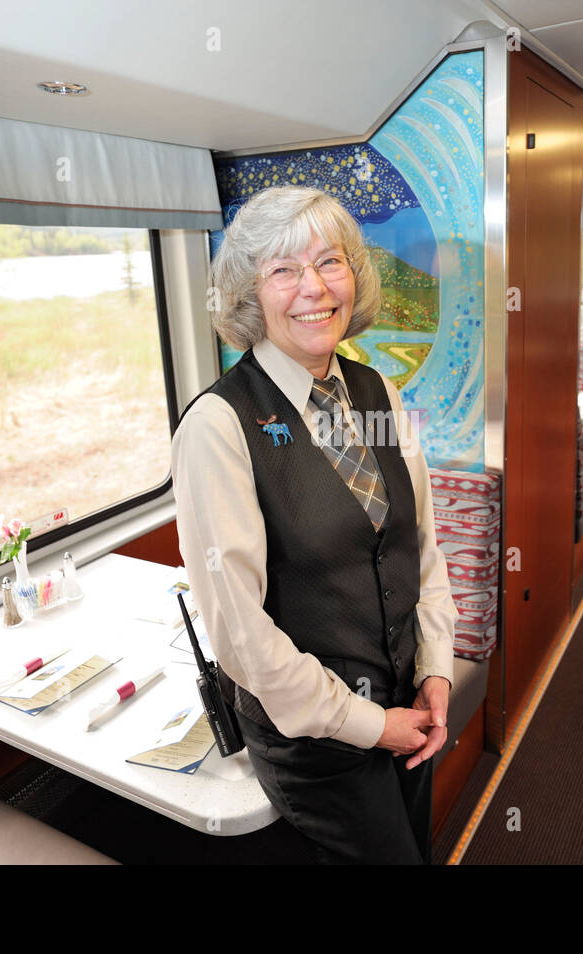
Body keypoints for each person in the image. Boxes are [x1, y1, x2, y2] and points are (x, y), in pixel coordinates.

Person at [171, 185, 458, 864]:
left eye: (330, 263)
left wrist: (436, 671)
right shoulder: (218, 426)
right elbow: (240, 635)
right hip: (317, 746)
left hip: (404, 709)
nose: (314, 288)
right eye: (284, 270)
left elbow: (422, 553)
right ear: (250, 294)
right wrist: (369, 725)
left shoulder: (378, 392)